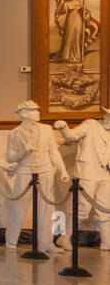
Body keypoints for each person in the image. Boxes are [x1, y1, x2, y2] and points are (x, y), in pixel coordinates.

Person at [3, 100, 68, 252]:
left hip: (44, 171)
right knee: (18, 207)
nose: (38, 112)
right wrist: (23, 152)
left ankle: (46, 243)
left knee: (47, 208)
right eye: (34, 110)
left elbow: (53, 151)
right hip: (24, 171)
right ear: (24, 114)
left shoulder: (46, 129)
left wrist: (62, 169)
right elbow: (10, 158)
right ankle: (11, 242)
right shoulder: (14, 133)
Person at [56, 106, 110, 249]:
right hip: (87, 172)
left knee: (104, 208)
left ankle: (106, 242)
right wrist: (63, 127)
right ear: (105, 115)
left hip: (104, 173)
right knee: (82, 208)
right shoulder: (91, 124)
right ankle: (64, 238)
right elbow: (71, 136)